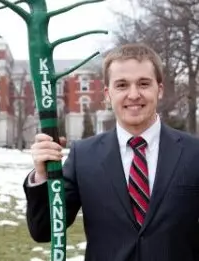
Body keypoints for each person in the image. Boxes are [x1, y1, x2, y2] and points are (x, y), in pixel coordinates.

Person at [23, 43, 199, 261]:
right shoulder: (84, 157)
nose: (134, 94)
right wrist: (42, 176)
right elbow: (44, 230)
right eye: (122, 85)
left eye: (143, 83)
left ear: (159, 89)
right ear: (107, 94)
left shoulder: (194, 153)